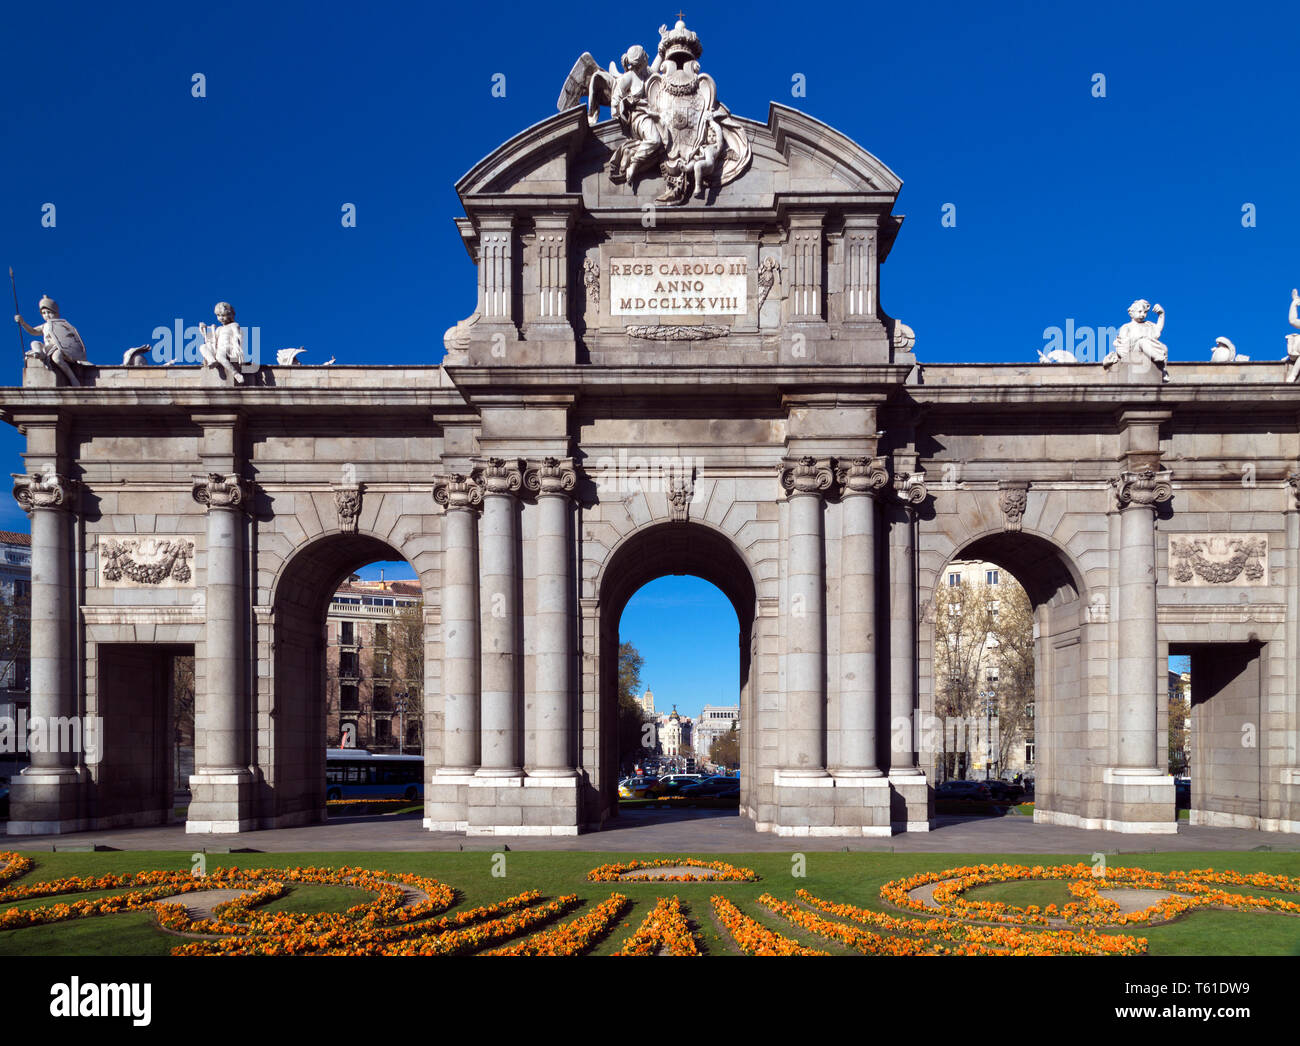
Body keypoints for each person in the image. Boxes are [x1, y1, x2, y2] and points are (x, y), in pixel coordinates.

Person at [14, 294, 88, 386]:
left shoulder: (62, 324)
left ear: (56, 313)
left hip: (59, 347)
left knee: (56, 358)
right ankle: (39, 353)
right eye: (44, 313)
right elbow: (32, 331)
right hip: (48, 347)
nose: (47, 315)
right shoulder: (44, 326)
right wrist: (22, 322)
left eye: (49, 312)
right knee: (34, 342)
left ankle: (72, 378)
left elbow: (69, 337)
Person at [1104, 299, 1169, 381]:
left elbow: (1157, 330)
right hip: (1133, 351)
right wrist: (1123, 356)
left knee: (1164, 347)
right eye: (1140, 311)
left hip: (1149, 350)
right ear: (1132, 313)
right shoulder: (1127, 327)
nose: (1143, 314)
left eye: (1145, 312)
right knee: (1143, 342)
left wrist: (1161, 315)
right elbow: (1122, 344)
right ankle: (1159, 359)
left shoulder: (1148, 325)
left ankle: (1162, 369)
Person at [198, 301, 246, 385]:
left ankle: (236, 374)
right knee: (202, 347)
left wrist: (239, 348)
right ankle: (212, 361)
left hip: (229, 348)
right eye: (218, 315)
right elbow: (212, 340)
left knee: (219, 355)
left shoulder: (234, 325)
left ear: (230, 314)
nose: (221, 318)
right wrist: (203, 331)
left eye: (223, 315)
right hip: (218, 348)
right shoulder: (219, 329)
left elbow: (238, 336)